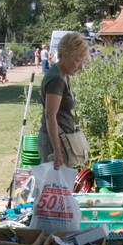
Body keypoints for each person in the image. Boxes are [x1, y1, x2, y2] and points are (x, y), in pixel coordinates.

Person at [37, 32, 88, 169]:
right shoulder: (56, 79)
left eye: (82, 61)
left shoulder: (63, 75)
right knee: (54, 189)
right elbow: (50, 116)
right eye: (77, 60)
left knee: (62, 189)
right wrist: (58, 152)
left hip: (62, 140)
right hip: (55, 143)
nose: (80, 66)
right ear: (64, 54)